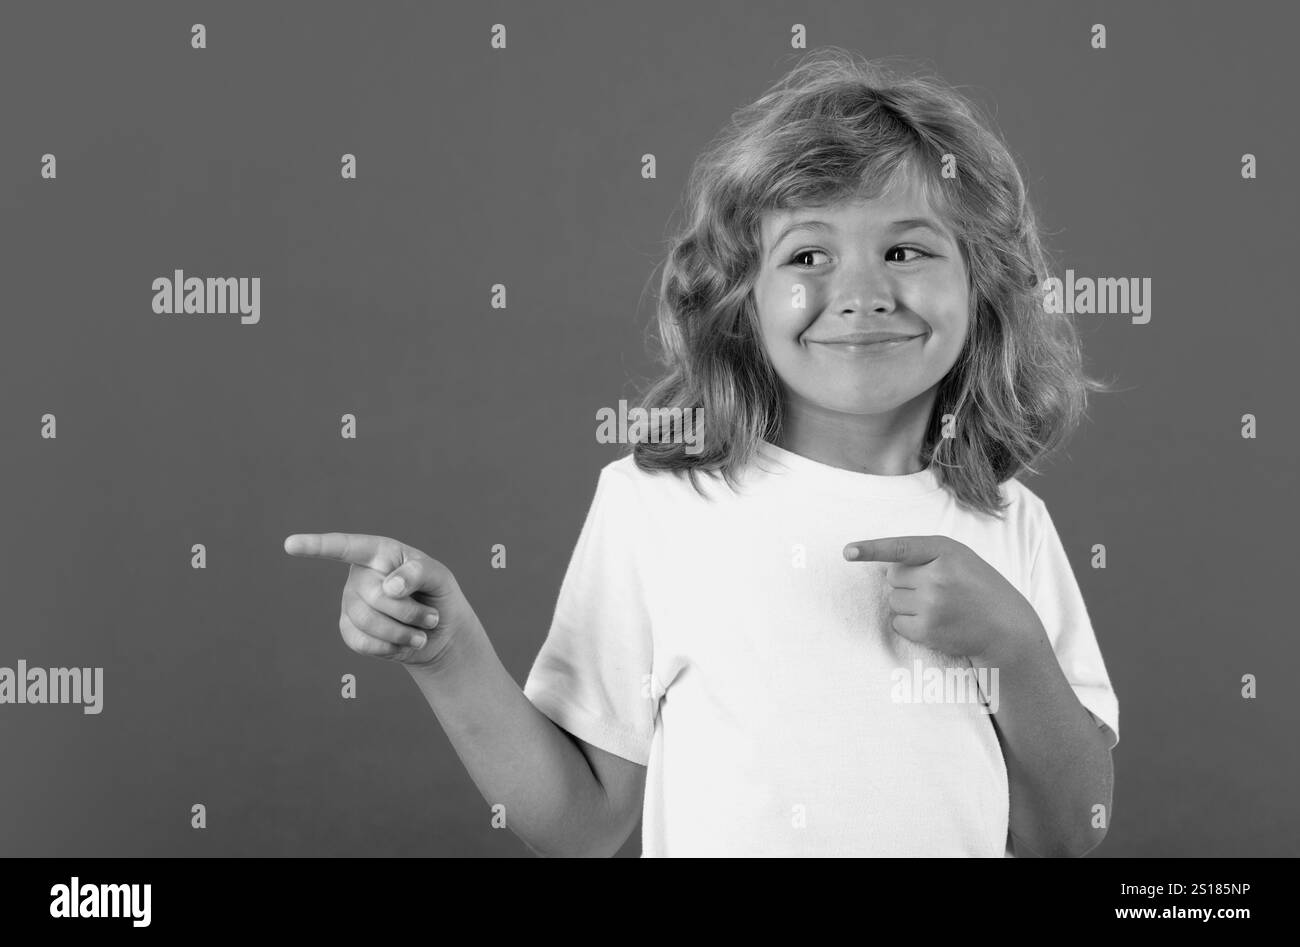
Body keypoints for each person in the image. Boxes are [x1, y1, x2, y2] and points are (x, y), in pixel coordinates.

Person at [284, 47, 1119, 857]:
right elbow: (578, 826)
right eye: (808, 255)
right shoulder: (656, 507)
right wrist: (447, 650)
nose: (862, 294)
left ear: (984, 288)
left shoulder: (1012, 525)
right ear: (740, 301)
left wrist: (1013, 647)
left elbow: (1068, 832)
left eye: (907, 249)